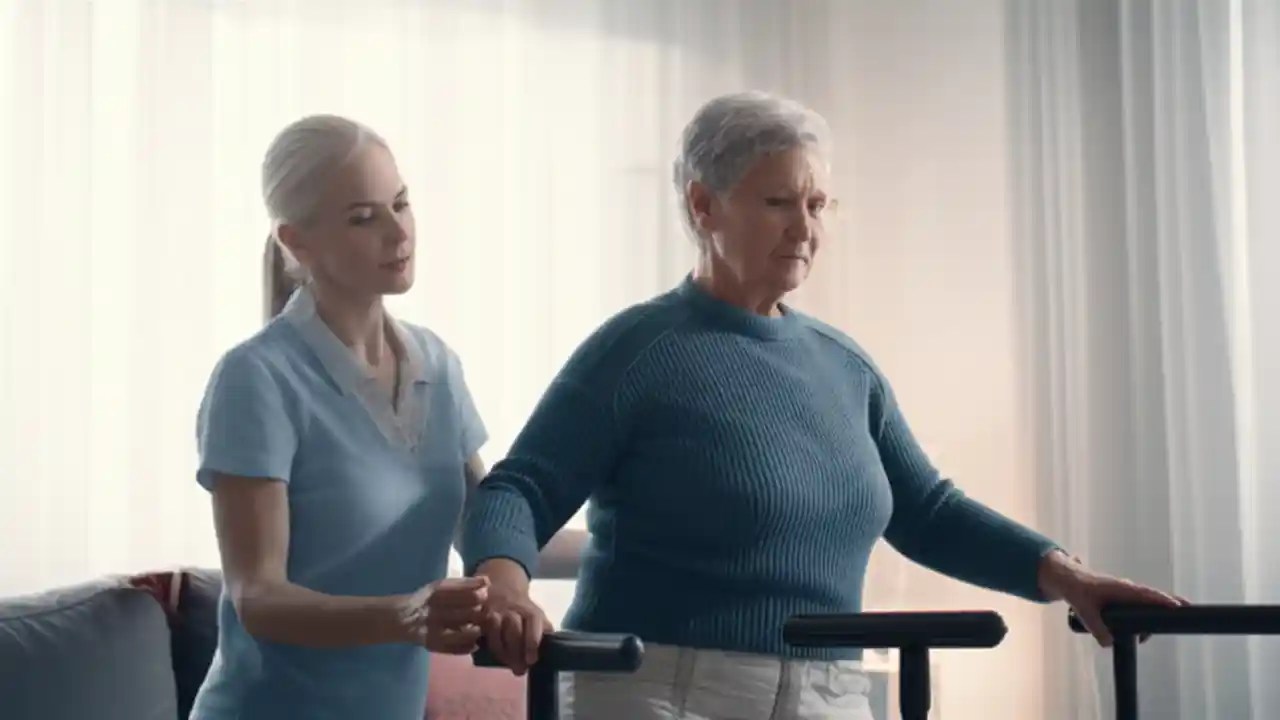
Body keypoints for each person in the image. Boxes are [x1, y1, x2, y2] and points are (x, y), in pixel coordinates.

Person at [459, 91, 1186, 719]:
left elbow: (927, 511)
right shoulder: (640, 350)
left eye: (817, 203)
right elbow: (519, 488)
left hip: (831, 690)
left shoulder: (844, 366)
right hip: (657, 688)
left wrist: (1069, 577)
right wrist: (504, 586)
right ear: (702, 203)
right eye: (777, 202)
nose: (804, 228)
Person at [190, 114, 586, 720]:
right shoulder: (257, 379)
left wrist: (635, 547)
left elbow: (484, 526)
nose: (399, 232)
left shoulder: (438, 366)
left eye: (401, 203)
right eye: (362, 217)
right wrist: (404, 615)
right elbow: (257, 597)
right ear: (296, 241)